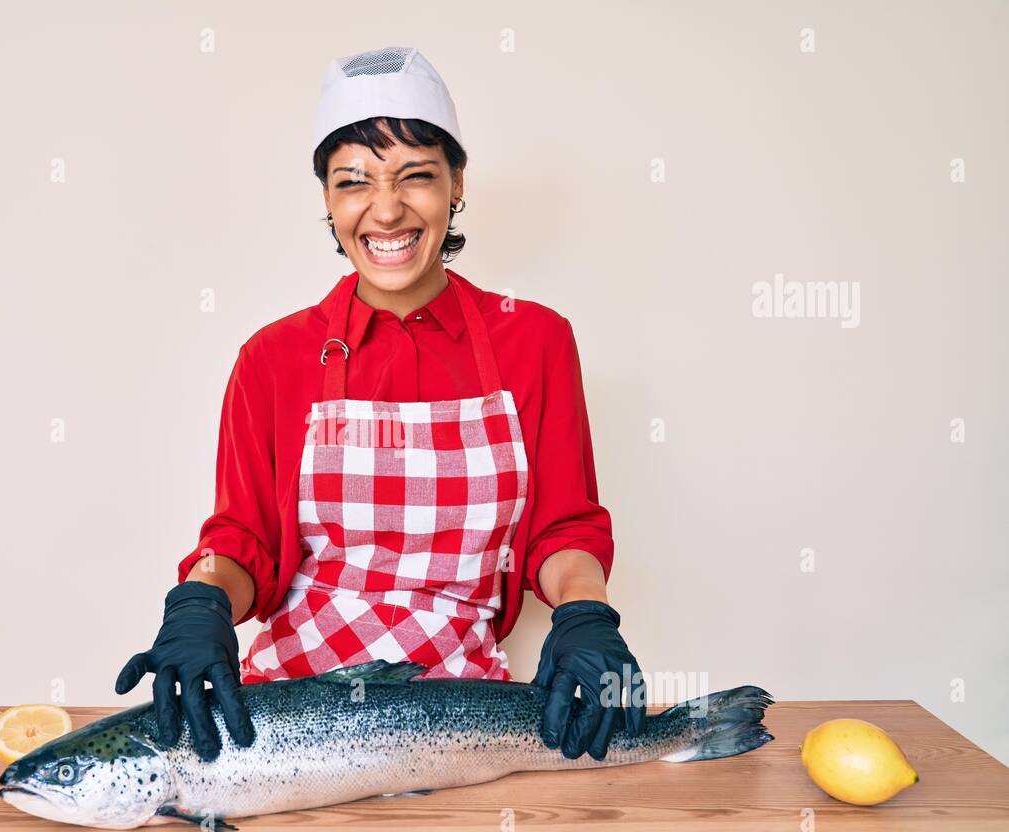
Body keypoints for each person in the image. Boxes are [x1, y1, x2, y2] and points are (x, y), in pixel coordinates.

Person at [116, 46, 645, 763]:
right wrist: (201, 602)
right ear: (328, 200)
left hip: (465, 712)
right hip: (288, 712)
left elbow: (562, 527)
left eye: (416, 177)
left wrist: (585, 613)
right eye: (353, 181)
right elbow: (245, 540)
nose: (386, 208)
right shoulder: (272, 359)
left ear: (457, 183)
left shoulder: (537, 341)